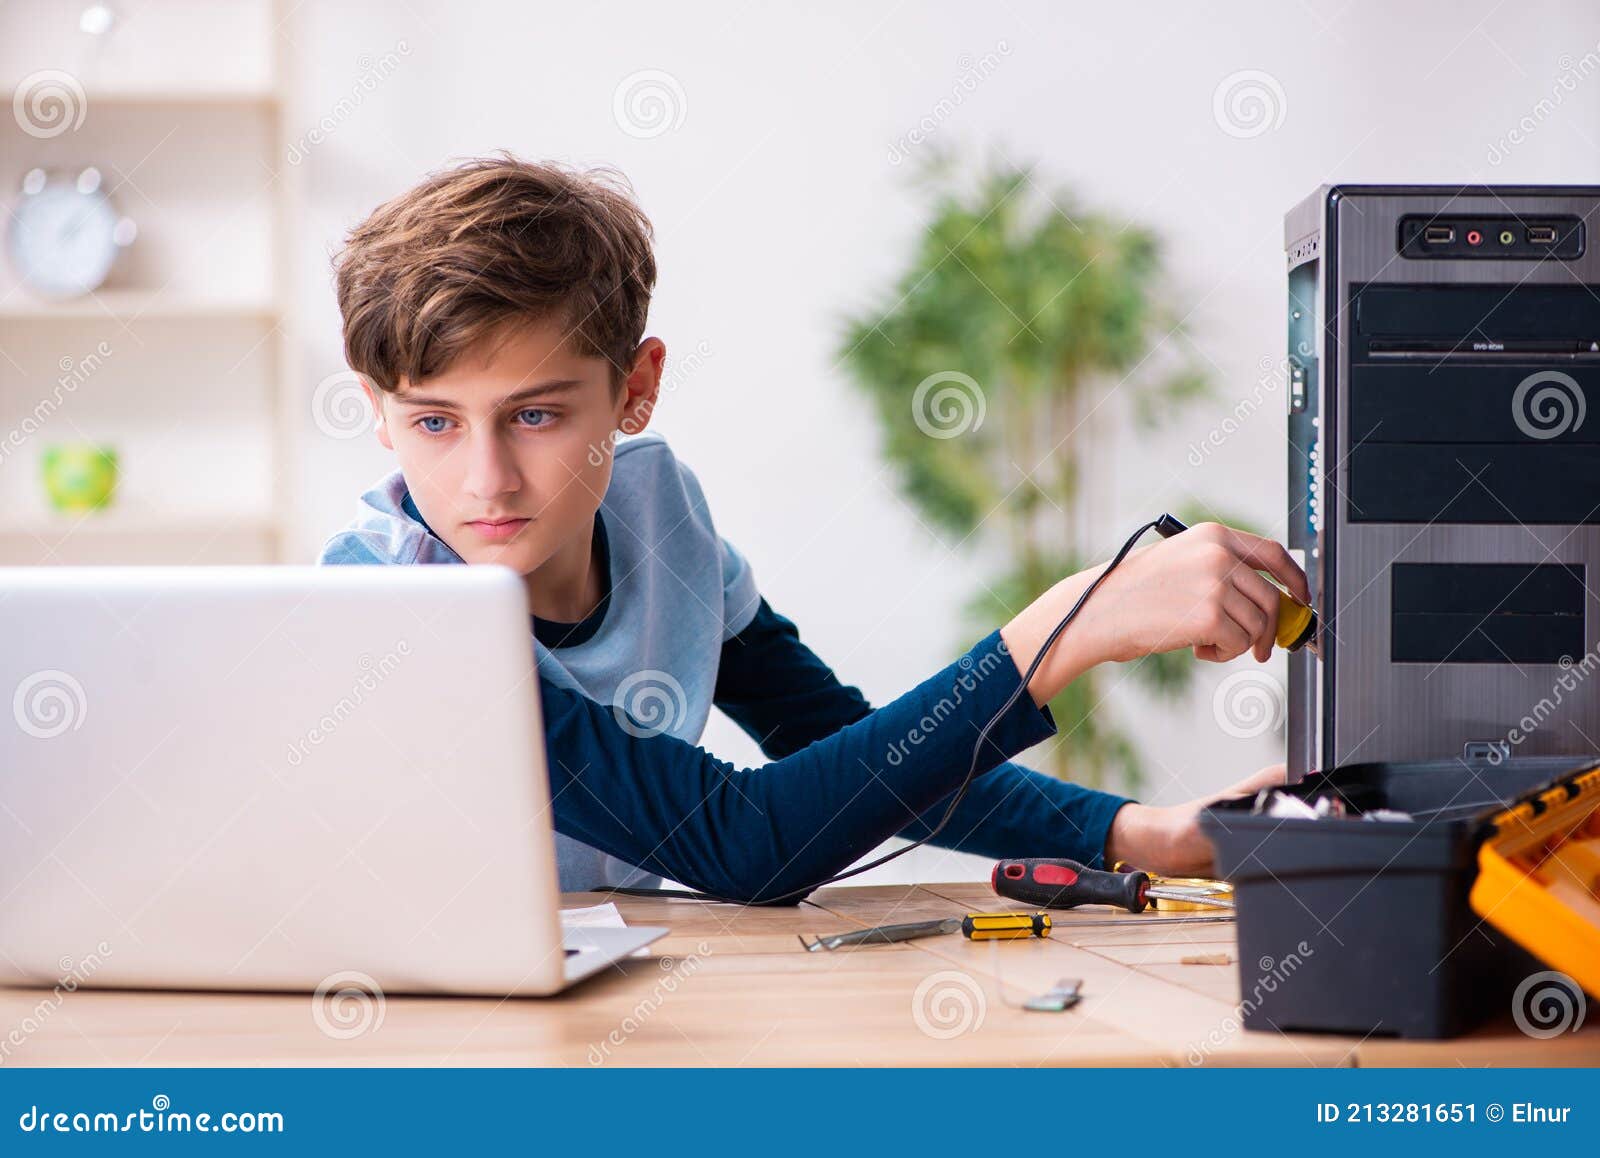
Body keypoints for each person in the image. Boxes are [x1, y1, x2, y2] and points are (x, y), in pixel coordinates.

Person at [319, 156, 1303, 902]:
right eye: (434, 422)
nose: (485, 479)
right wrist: (1068, 630)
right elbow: (743, 845)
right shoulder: (397, 606)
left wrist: (1142, 832)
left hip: (587, 1001)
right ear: (377, 411)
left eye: (535, 415)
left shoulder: (660, 517)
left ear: (636, 388)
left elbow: (852, 754)